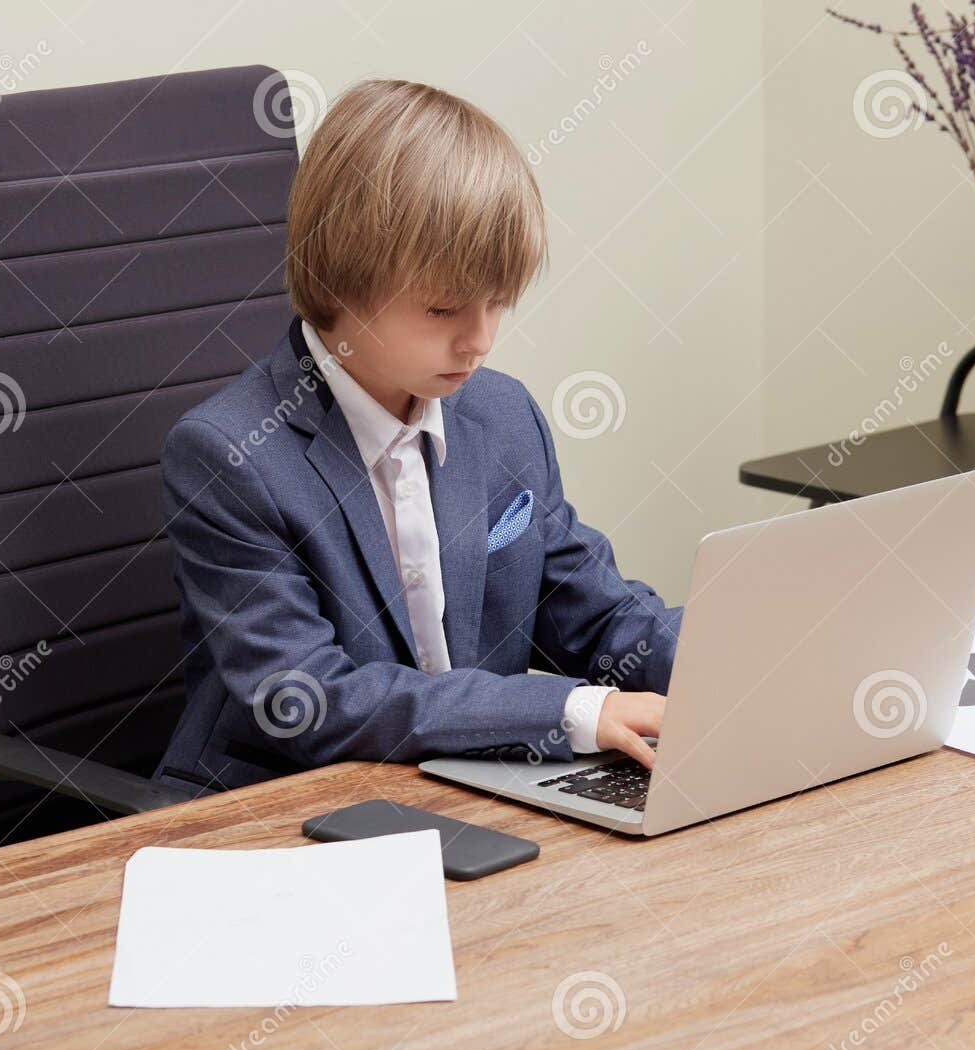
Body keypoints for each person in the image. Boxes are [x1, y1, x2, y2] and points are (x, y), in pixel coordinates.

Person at [153, 77, 682, 795]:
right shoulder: (229, 455)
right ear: (340, 281)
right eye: (444, 309)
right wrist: (571, 709)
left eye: (499, 301)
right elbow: (311, 700)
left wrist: (743, 656)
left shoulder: (501, 417)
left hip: (469, 788)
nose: (482, 339)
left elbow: (595, 615)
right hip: (281, 811)